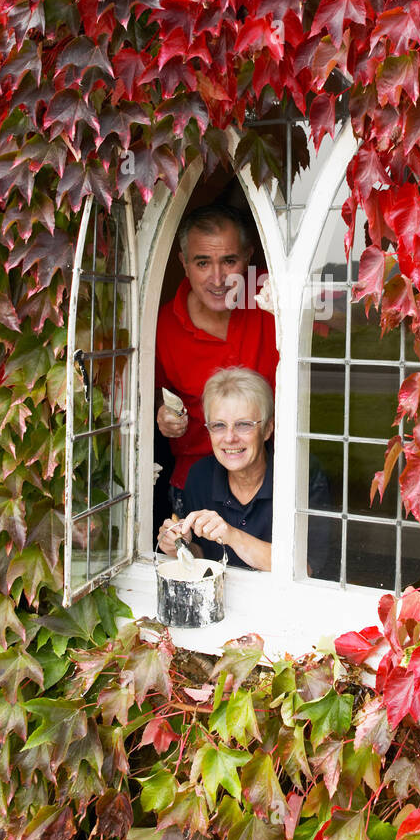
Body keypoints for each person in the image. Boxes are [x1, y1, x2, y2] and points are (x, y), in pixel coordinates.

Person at [155, 204, 279, 517]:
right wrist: (163, 418)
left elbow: (343, 315)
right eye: (202, 262)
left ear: (248, 256)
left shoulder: (269, 288)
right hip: (197, 482)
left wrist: (294, 302)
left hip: (276, 474)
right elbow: (152, 400)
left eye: (229, 261)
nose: (218, 277)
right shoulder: (162, 326)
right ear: (183, 263)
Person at [158, 368, 332, 574]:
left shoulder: (301, 475)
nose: (230, 437)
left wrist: (233, 535)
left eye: (243, 425)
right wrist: (181, 545)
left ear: (268, 429)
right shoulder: (200, 475)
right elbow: (203, 556)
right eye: (219, 425)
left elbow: (305, 568)